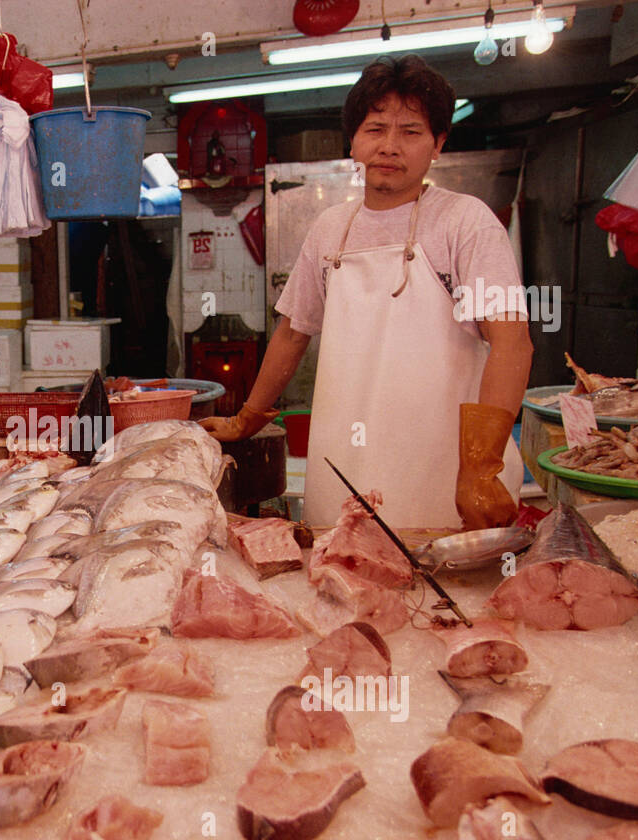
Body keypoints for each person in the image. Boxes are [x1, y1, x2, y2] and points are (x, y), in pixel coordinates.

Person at [201, 55, 533, 531]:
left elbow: (511, 342)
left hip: (442, 471)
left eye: (411, 131)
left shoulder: (466, 221)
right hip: (344, 465)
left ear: (438, 143)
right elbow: (293, 332)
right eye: (375, 129)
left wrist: (482, 466)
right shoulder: (330, 227)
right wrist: (247, 419)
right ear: (353, 139)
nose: (390, 147)